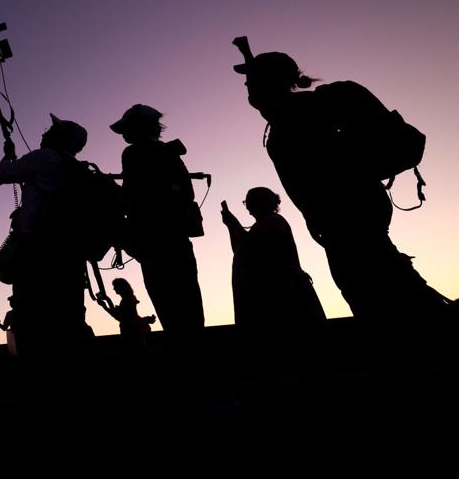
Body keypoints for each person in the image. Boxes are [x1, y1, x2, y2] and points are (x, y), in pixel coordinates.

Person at [234, 49, 452, 335]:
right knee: (388, 288)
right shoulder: (285, 118)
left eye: (252, 79)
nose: (246, 85)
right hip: (343, 225)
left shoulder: (300, 114)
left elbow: (324, 171)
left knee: (386, 296)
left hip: (350, 221)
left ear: (271, 80)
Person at [0, 115, 95, 391]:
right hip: (70, 253)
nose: (45, 131)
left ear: (59, 137)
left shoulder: (44, 158)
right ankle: (74, 385)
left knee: (34, 319)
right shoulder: (73, 167)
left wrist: (8, 157)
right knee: (69, 318)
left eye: (52, 130)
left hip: (38, 250)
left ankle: (41, 388)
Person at [111, 105, 205, 338]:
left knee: (168, 305)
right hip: (176, 239)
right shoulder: (168, 153)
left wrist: (108, 191)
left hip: (153, 241)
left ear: (139, 129)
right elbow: (186, 193)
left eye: (127, 129)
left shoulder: (133, 154)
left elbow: (132, 197)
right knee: (188, 302)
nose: (124, 135)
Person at [222, 188, 325, 333]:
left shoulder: (274, 221)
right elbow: (240, 249)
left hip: (279, 297)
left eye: (250, 202)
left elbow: (256, 247)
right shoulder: (260, 226)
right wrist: (230, 227)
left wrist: (234, 224)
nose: (248, 207)